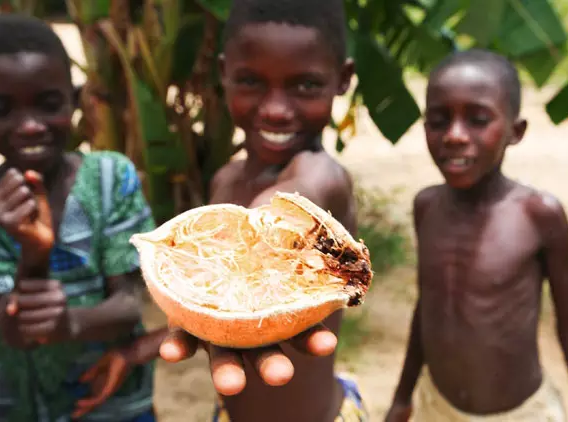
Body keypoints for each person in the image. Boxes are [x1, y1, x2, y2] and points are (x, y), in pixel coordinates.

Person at [79, 0, 369, 420]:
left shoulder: (324, 177)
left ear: (343, 80)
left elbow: (288, 202)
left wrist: (260, 229)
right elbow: (216, 297)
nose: (274, 108)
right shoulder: (226, 179)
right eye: (251, 81)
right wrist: (142, 347)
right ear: (222, 74)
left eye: (304, 85)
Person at [384, 49, 568, 422]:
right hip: (437, 407)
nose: (454, 136)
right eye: (438, 120)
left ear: (516, 131)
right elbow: (429, 306)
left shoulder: (538, 214)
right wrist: (403, 396)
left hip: (520, 414)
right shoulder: (427, 207)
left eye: (478, 120)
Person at [0, 14, 157, 422]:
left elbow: (128, 306)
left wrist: (68, 323)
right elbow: (14, 330)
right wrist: (33, 253)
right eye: (3, 109)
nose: (29, 126)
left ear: (76, 100)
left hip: (113, 406)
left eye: (48, 105)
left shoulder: (108, 180)